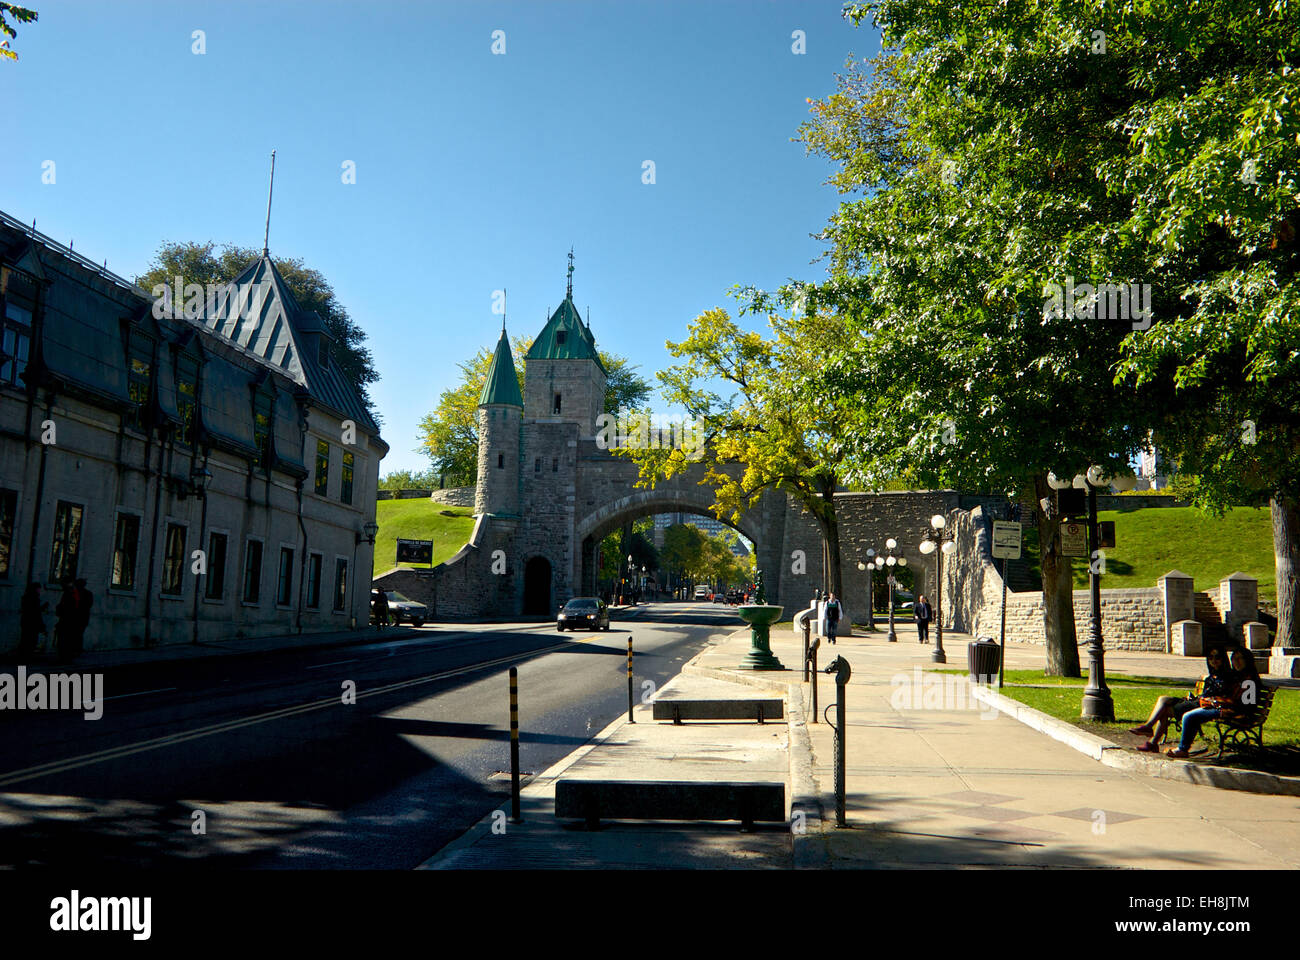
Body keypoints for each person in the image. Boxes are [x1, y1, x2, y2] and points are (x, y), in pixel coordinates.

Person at [1130, 644, 1228, 752]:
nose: (1214, 660)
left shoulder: (1226, 676)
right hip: (1197, 701)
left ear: (1223, 659)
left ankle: (1152, 740)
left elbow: (1217, 696)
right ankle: (1149, 730)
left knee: (1164, 711)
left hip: (1204, 705)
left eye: (1217, 657)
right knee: (1163, 699)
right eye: (1210, 658)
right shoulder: (1212, 676)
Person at [1165, 645, 1259, 758]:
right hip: (1223, 708)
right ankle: (1183, 748)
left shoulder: (1249, 680)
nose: (1236, 662)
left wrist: (1221, 703)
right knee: (1193, 715)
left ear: (1247, 661)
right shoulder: (1237, 677)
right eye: (1234, 659)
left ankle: (1182, 749)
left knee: (1189, 716)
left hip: (1233, 712)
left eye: (1240, 659)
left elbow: (1246, 706)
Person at [18, 582, 48, 659]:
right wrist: (42, 625)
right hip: (32, 623)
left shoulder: (27, 597)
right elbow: (35, 612)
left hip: (26, 621)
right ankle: (26, 657)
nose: (39, 590)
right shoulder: (33, 598)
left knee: (26, 640)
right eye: (38, 589)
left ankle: (24, 656)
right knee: (30, 641)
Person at [54, 576, 80, 662]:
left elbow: (67, 607)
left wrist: (60, 609)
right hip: (71, 620)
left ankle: (65, 657)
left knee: (64, 640)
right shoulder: (74, 592)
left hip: (67, 620)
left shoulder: (69, 593)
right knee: (67, 639)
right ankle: (67, 656)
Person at [74, 578, 93, 656]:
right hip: (83, 617)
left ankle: (77, 649)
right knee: (79, 634)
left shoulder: (76, 593)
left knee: (77, 633)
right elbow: (89, 605)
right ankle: (77, 649)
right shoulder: (88, 594)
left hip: (78, 616)